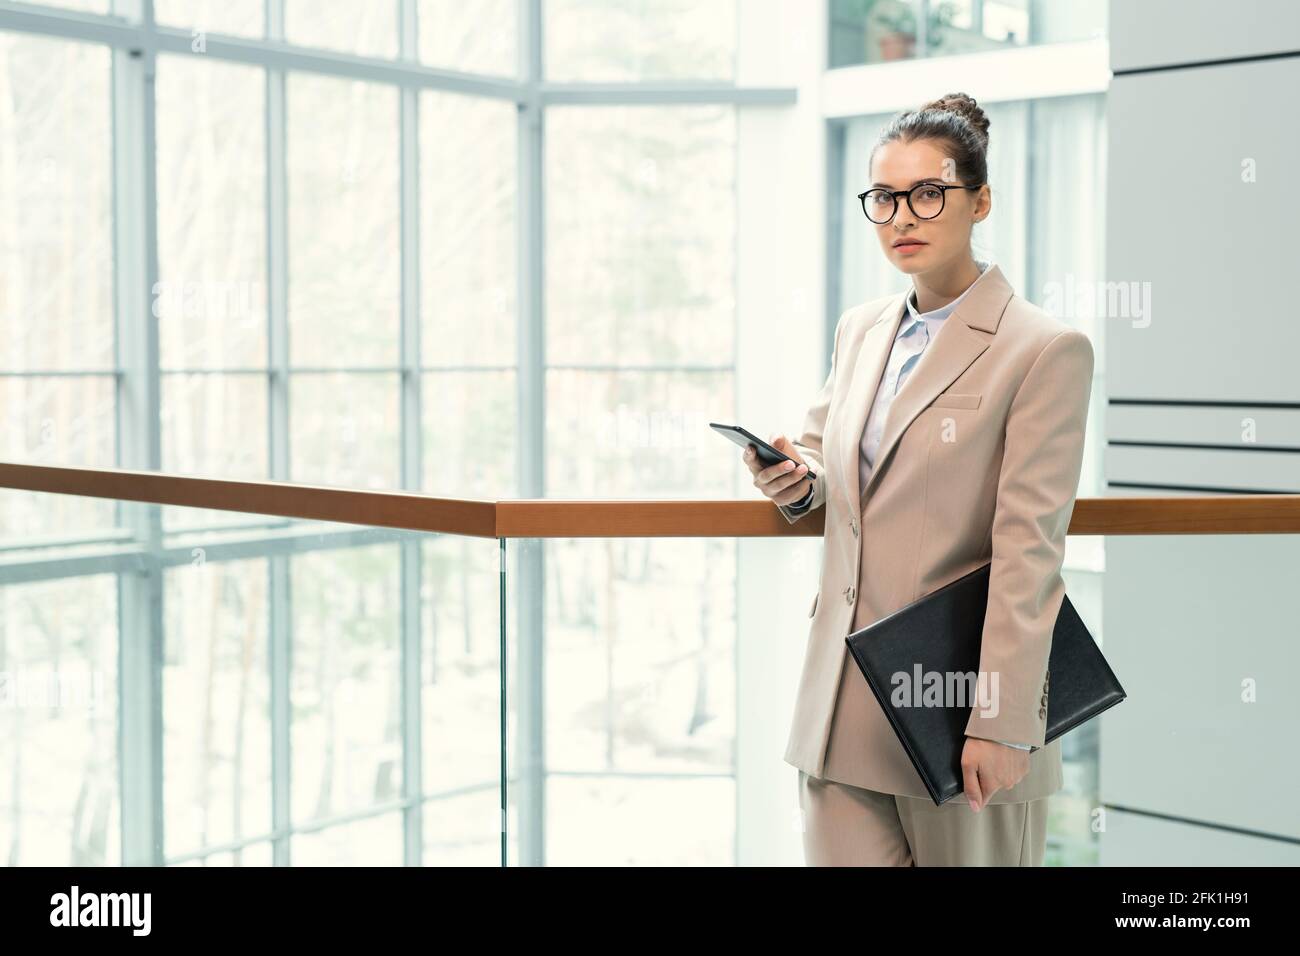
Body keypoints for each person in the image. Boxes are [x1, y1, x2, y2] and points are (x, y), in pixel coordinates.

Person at [743, 92, 1094, 866]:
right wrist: (795, 483)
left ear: (981, 201)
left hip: (959, 710)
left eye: (928, 193)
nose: (902, 216)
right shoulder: (861, 329)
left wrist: (1001, 721)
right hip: (841, 705)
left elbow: (1029, 549)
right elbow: (835, 473)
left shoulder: (1043, 349)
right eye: (884, 198)